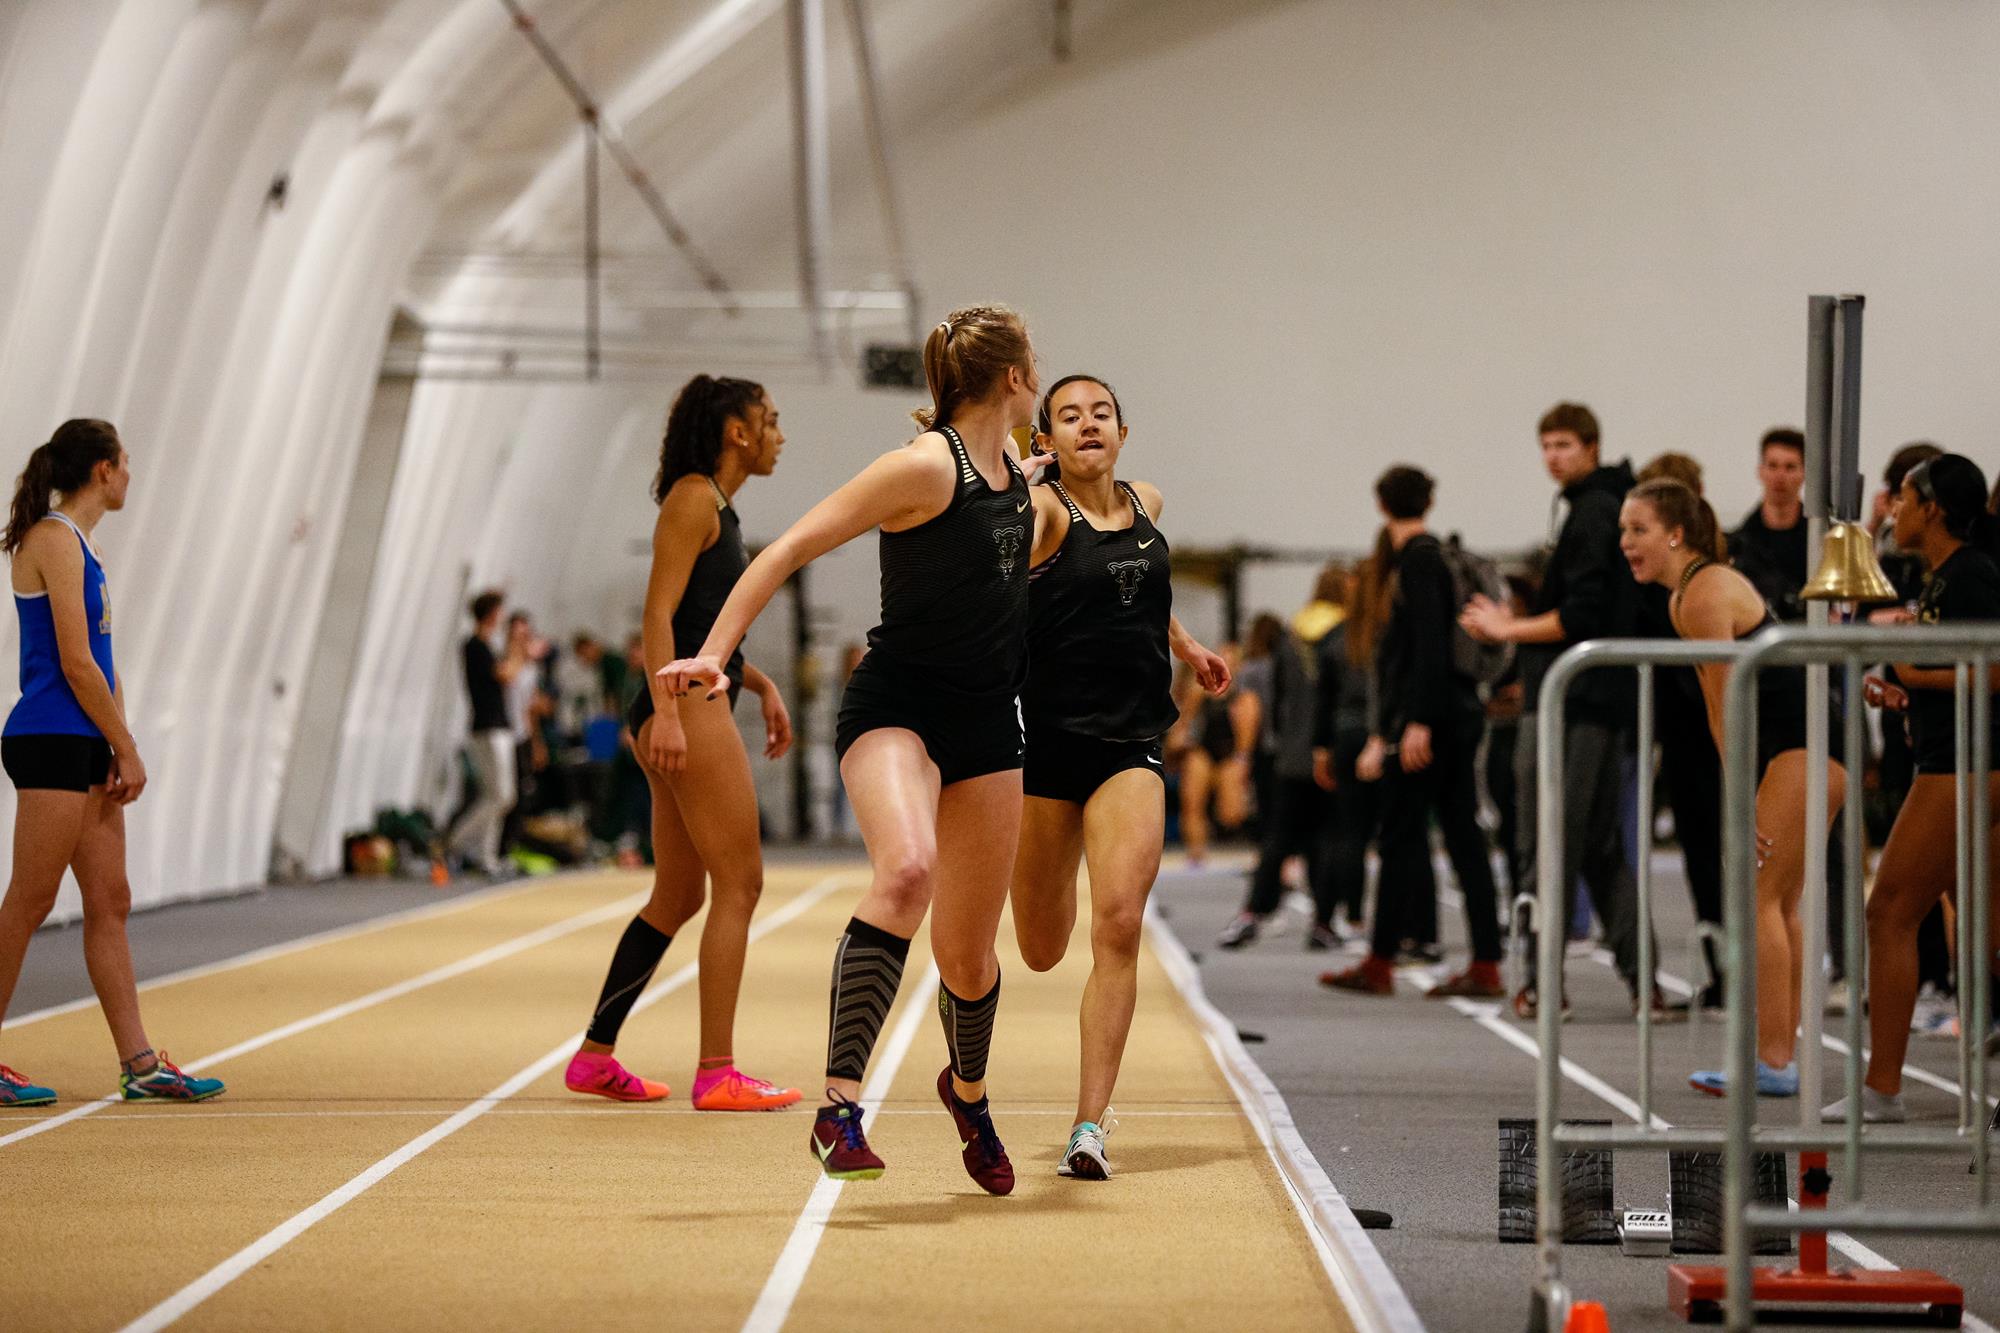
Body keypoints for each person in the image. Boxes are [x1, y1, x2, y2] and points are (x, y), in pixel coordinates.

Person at [660, 305, 1053, 1191]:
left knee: (968, 956)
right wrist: (716, 657)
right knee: (907, 870)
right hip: (898, 706)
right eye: (1037, 367)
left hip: (989, 722)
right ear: (1015, 379)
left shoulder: (1016, 476)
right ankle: (841, 1106)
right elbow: (789, 545)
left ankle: (970, 1092)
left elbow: (1014, 530)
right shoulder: (918, 466)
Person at [1008, 373, 1229, 1179]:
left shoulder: (1149, 504)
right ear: (1048, 442)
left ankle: (1089, 1124)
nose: (1088, 423)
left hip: (1130, 743)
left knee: (1119, 924)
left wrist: (1188, 645)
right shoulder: (1043, 515)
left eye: (1100, 412)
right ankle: (1045, 890)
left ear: (1122, 432)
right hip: (1046, 747)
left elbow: (1137, 590)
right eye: (1069, 416)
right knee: (1039, 945)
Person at [564, 374, 800, 1112]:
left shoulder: (717, 509)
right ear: (738, 432)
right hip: (686, 707)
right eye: (771, 419)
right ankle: (717, 1071)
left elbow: (702, 627)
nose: (779, 433)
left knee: (678, 893)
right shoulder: (695, 497)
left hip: (690, 696)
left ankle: (595, 1054)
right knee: (742, 882)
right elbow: (657, 615)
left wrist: (758, 683)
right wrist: (668, 711)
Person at [0, 420, 223, 1107]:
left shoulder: (85, 547)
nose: (131, 475)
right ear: (103, 469)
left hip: (85, 739)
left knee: (110, 901)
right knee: (30, 901)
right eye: (126, 463)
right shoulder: (50, 540)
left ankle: (140, 1063)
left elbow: (104, 664)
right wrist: (123, 743)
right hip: (51, 736)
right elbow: (73, 661)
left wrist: (118, 740)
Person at [1619, 479, 1846, 1096]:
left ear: (1676, 534)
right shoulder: (1686, 595)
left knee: (1758, 899)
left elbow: (1729, 706)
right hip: (1802, 752)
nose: (1626, 544)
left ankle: (1773, 1060)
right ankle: (1778, 1055)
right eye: (1623, 531)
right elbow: (1723, 708)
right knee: (1777, 902)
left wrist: (1739, 796)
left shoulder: (1704, 592)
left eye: (1638, 531)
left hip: (1799, 751)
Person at [1461, 402, 1661, 1021]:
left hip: (1574, 706)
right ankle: (1644, 982)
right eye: (1546, 445)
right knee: (1598, 846)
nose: (1553, 457)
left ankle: (1543, 985)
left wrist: (1508, 627)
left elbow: (1586, 612)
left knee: (1548, 841)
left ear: (1593, 447)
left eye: (1565, 445)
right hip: (1594, 701)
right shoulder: (1602, 507)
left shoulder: (1599, 512)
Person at [1827, 454, 2000, 1122]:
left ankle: (1883, 1087)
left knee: (1889, 911)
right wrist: (1905, 691)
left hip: (1964, 766)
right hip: (1955, 755)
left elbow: (1989, 672)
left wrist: (1908, 668)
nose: (1891, 509)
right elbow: (1952, 670)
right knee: (1985, 928)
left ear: (1933, 507)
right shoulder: (1942, 581)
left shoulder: (1971, 577)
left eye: (1901, 498)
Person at [1322, 466, 1504, 998]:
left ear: (1381, 505)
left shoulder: (1419, 563)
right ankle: (1486, 962)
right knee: (1462, 835)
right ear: (1429, 500)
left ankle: (1379, 963)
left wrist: (1415, 723)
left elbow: (1428, 647)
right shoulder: (1432, 559)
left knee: (1402, 835)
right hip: (1456, 712)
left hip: (1433, 719)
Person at [1634, 452, 1726, 1005]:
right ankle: (1728, 974)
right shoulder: (1666, 588)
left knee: (1744, 866)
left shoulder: (1708, 582)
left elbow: (1720, 684)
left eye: (1639, 527)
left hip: (1715, 730)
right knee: (1708, 854)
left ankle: (1747, 984)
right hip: (1686, 729)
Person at [1218, 586, 1348, 952]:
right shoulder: (1345, 637)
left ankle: (1252, 912)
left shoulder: (1293, 637)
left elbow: (1275, 701)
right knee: (1327, 838)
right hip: (1328, 755)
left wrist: (1276, 746)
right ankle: (1324, 921)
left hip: (1289, 755)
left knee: (1278, 838)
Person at [448, 589, 523, 875]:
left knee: (499, 795)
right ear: (492, 614)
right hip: (488, 727)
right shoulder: (475, 646)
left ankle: (486, 856)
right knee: (500, 796)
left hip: (499, 726)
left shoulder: (488, 646)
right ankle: (455, 841)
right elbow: (506, 674)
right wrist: (516, 646)